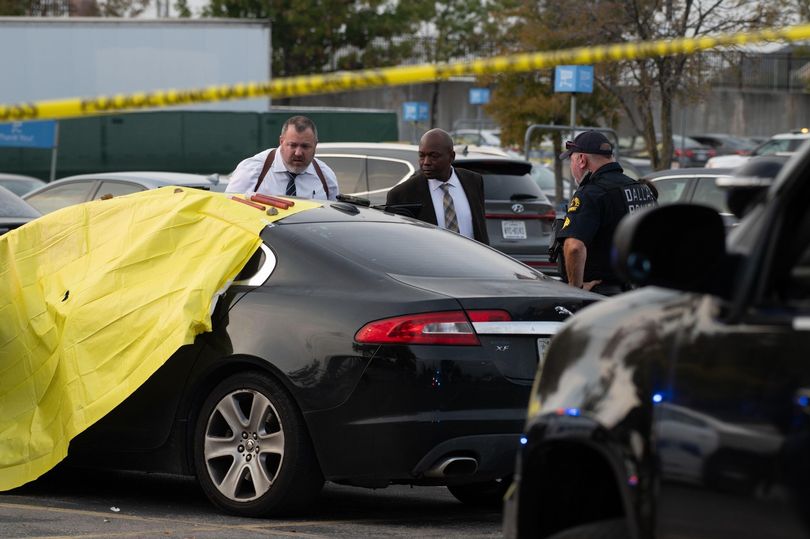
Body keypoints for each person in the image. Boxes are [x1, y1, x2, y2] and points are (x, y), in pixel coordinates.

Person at [557, 131, 656, 295]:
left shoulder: (591, 193)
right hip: (642, 293)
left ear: (581, 160)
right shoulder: (643, 190)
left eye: (571, 160)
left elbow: (574, 247)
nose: (571, 167)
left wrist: (576, 290)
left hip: (602, 296)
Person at [385, 129, 489, 245]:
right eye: (422, 156)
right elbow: (398, 243)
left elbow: (481, 231)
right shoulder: (401, 194)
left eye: (433, 156)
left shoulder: (473, 181)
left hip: (473, 256)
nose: (426, 162)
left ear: (451, 156)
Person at [226, 115, 338, 200]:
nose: (298, 153)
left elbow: (334, 217)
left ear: (315, 145)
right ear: (281, 141)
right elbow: (229, 209)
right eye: (293, 145)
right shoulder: (253, 170)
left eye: (305, 146)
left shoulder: (325, 176)